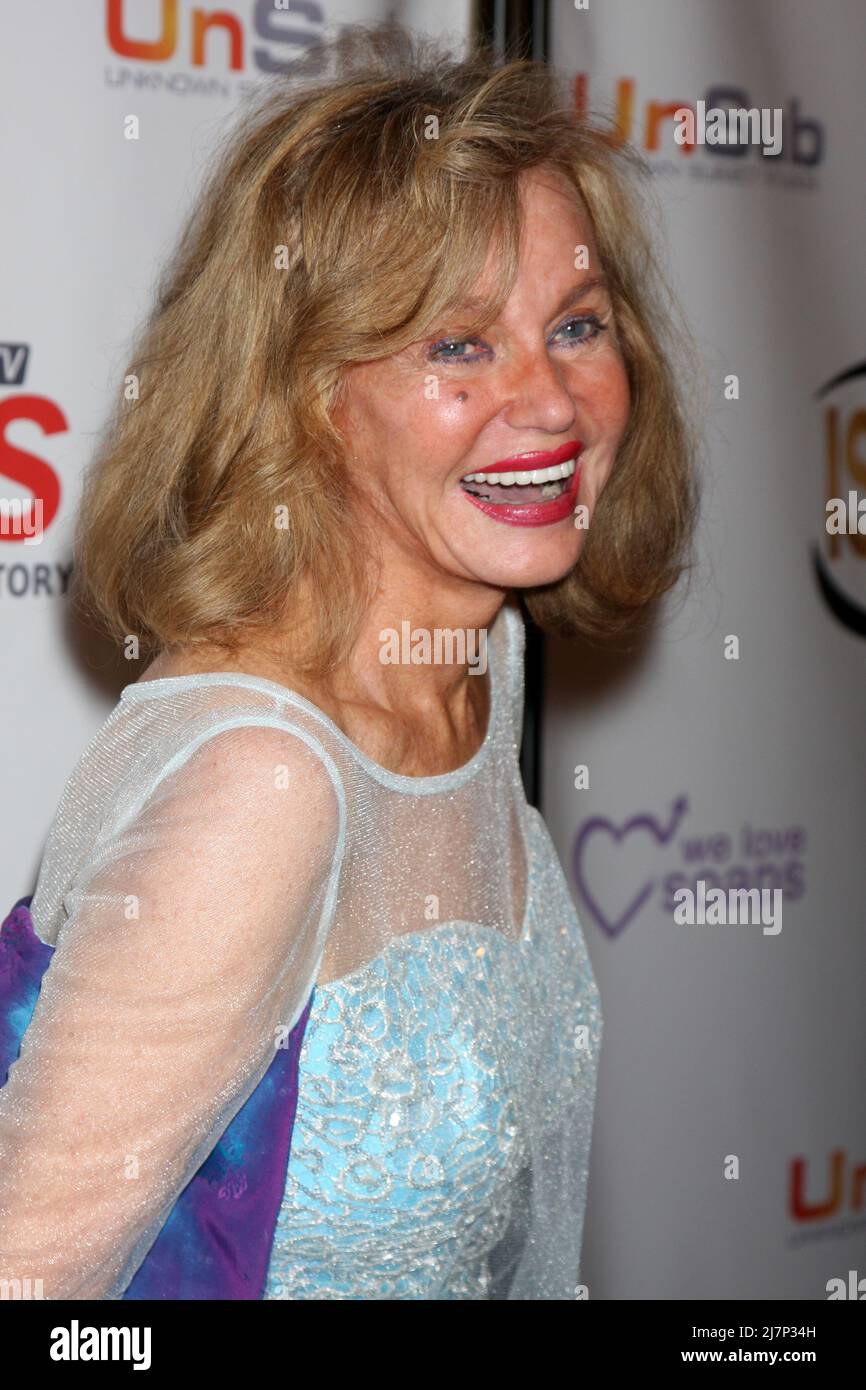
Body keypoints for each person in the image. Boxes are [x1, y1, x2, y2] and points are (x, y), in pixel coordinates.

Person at [0, 23, 697, 1300]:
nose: (548, 402)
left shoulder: (483, 652)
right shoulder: (261, 784)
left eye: (578, 324)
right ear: (304, 390)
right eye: (457, 345)